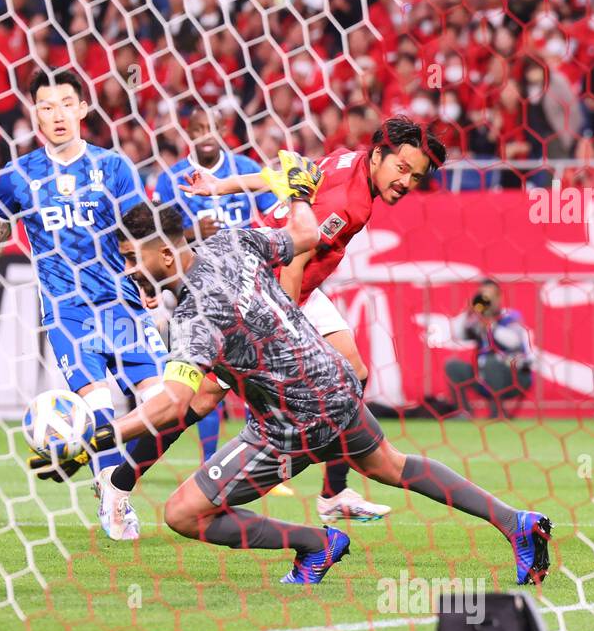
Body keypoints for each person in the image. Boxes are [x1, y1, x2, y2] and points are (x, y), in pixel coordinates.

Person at [35, 194, 553, 586]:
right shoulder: (232, 240)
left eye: (130, 259)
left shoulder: (194, 317)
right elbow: (304, 234)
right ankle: (516, 522)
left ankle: (316, 544)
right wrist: (301, 189)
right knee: (391, 466)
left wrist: (91, 439)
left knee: (183, 514)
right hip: (333, 381)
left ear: (165, 259)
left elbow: (174, 403)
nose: (125, 270)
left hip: (292, 420)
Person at [0, 68, 221, 540]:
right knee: (97, 406)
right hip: (67, 311)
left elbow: (139, 229)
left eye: (66, 104)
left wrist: (148, 275)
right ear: (35, 114)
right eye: (47, 106)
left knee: (167, 407)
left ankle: (116, 481)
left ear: (83, 108)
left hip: (122, 303)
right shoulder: (17, 177)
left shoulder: (114, 168)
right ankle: (112, 496)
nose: (57, 115)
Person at [166, 115, 447, 522]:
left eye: (416, 177)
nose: (405, 182)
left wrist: (220, 186)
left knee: (354, 371)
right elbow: (295, 260)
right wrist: (285, 331)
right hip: (266, 288)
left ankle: (334, 494)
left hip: (292, 283)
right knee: (203, 396)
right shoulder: (347, 205)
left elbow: (287, 173)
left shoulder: (347, 160)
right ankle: (122, 479)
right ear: (379, 154)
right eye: (402, 169)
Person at [152, 104, 278, 462]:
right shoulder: (171, 178)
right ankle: (209, 462)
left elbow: (272, 215)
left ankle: (262, 458)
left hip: (245, 287)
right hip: (196, 291)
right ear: (188, 133)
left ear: (224, 130)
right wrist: (194, 233)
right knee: (202, 377)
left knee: (257, 378)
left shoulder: (247, 171)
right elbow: (159, 237)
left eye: (212, 127)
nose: (204, 134)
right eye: (197, 128)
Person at [444, 278, 533, 418]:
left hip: (514, 376)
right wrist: (468, 311)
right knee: (452, 366)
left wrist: (491, 325)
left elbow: (513, 341)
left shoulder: (510, 316)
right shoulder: (476, 320)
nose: (487, 301)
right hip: (482, 375)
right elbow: (456, 335)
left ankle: (497, 412)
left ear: (499, 297)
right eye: (483, 296)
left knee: (492, 362)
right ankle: (464, 412)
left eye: (491, 296)